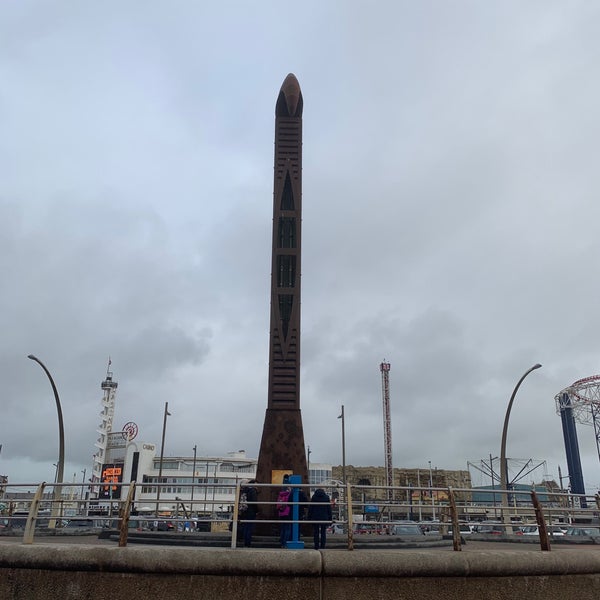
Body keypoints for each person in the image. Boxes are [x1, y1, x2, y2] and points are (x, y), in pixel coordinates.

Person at [239, 479, 258, 547]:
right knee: (249, 527)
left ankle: (245, 542)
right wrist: (257, 511)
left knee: (246, 527)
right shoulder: (252, 491)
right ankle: (248, 543)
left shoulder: (244, 490)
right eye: (256, 484)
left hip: (245, 510)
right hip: (251, 511)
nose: (257, 486)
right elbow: (254, 502)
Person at [276, 475, 292, 547]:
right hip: (287, 512)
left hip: (281, 512)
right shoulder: (289, 494)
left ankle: (282, 542)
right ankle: (286, 543)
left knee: (283, 528)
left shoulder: (281, 494)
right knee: (288, 528)